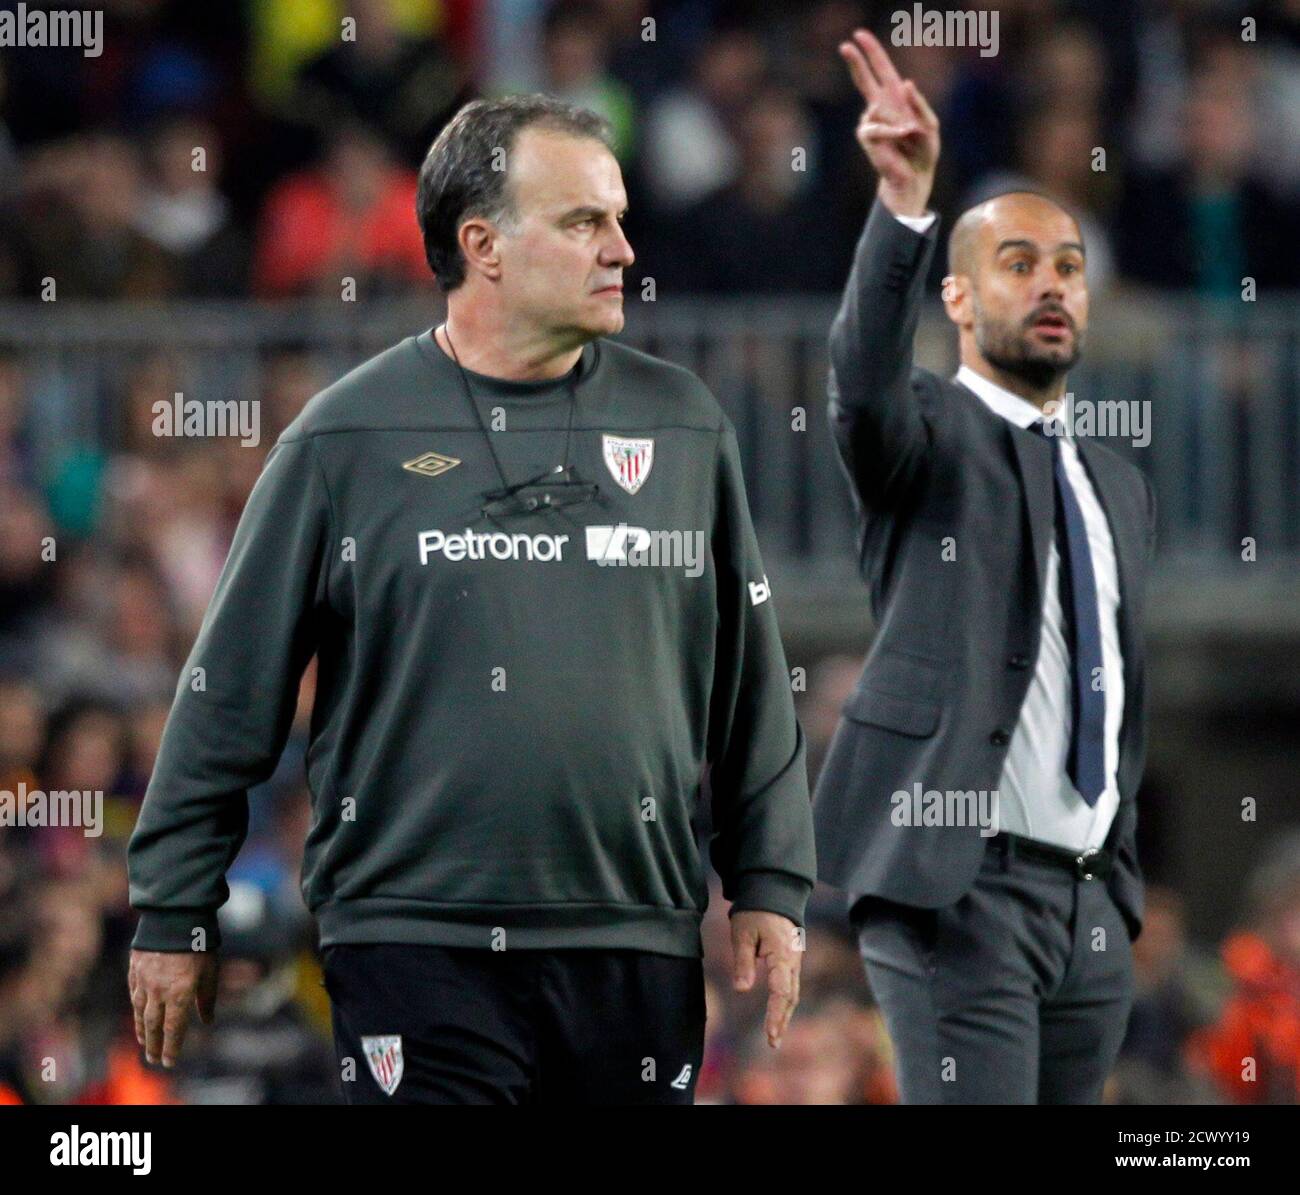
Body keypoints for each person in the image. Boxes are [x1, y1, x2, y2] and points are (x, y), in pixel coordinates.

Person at [127, 94, 815, 1106]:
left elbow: (750, 679)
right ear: (482, 243)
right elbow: (227, 689)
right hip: (414, 942)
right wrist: (172, 908)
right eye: (584, 221)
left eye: (618, 217)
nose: (622, 248)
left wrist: (771, 879)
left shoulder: (685, 427)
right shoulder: (341, 438)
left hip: (632, 939)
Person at [812, 30, 1156, 1104]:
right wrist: (905, 202)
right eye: (1016, 265)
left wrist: (1116, 889)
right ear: (956, 301)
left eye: (1067, 269)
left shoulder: (1120, 482)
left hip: (1089, 906)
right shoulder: (921, 428)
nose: (1050, 286)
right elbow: (860, 378)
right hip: (959, 888)